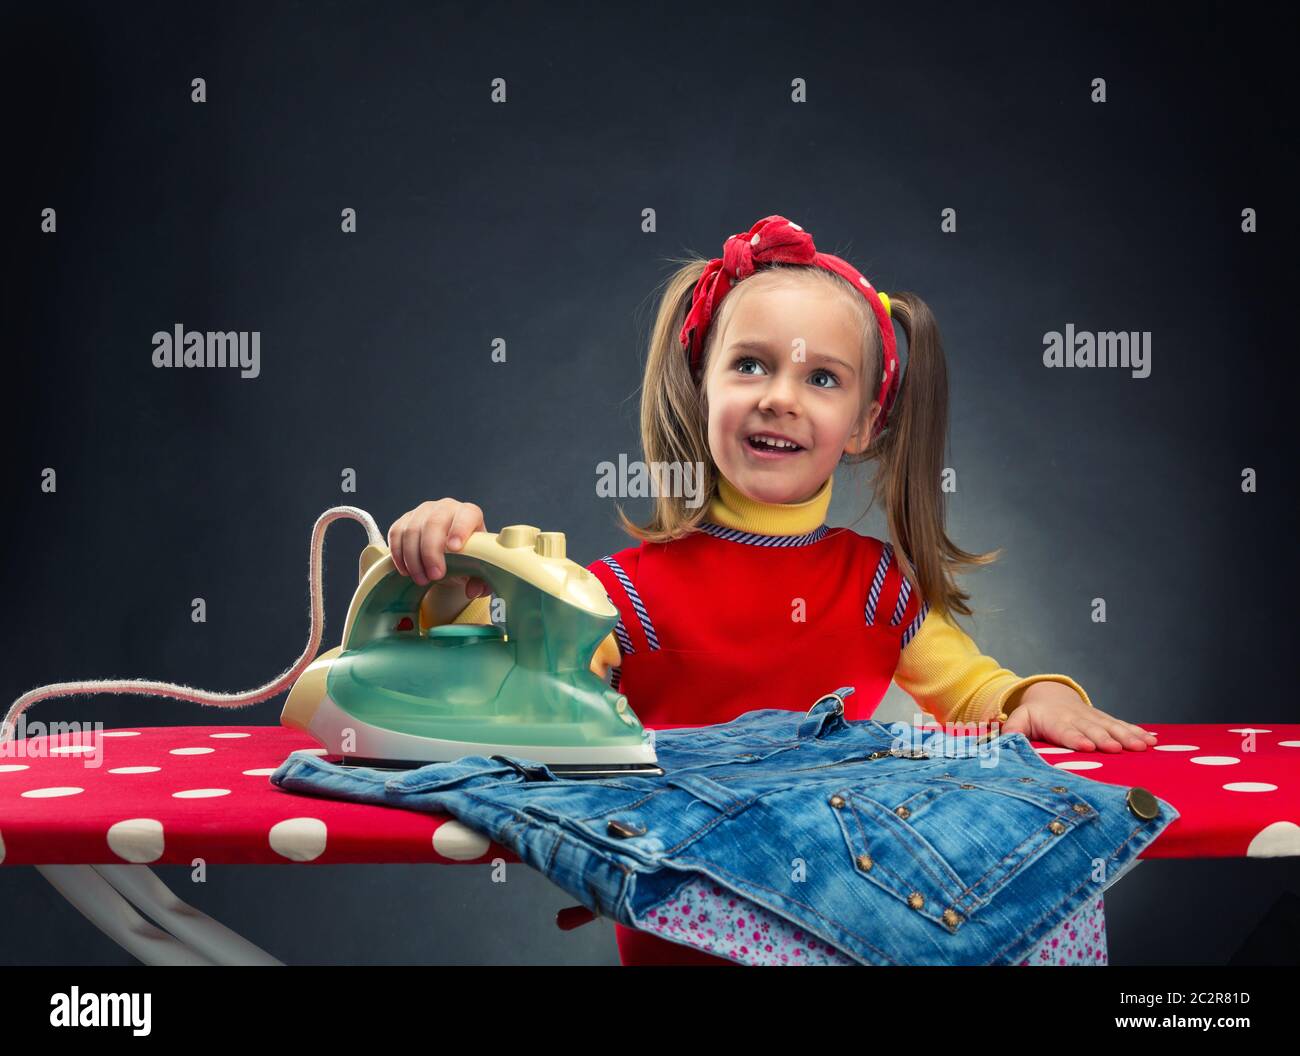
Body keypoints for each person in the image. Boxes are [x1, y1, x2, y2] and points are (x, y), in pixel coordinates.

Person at [386, 214, 1154, 966]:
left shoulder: (876, 586)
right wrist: (457, 574)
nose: (780, 396)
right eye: (751, 365)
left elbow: (978, 691)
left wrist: (1039, 697)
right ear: (700, 385)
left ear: (865, 423)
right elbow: (513, 707)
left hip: (851, 924)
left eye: (822, 378)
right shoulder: (618, 596)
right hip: (684, 935)